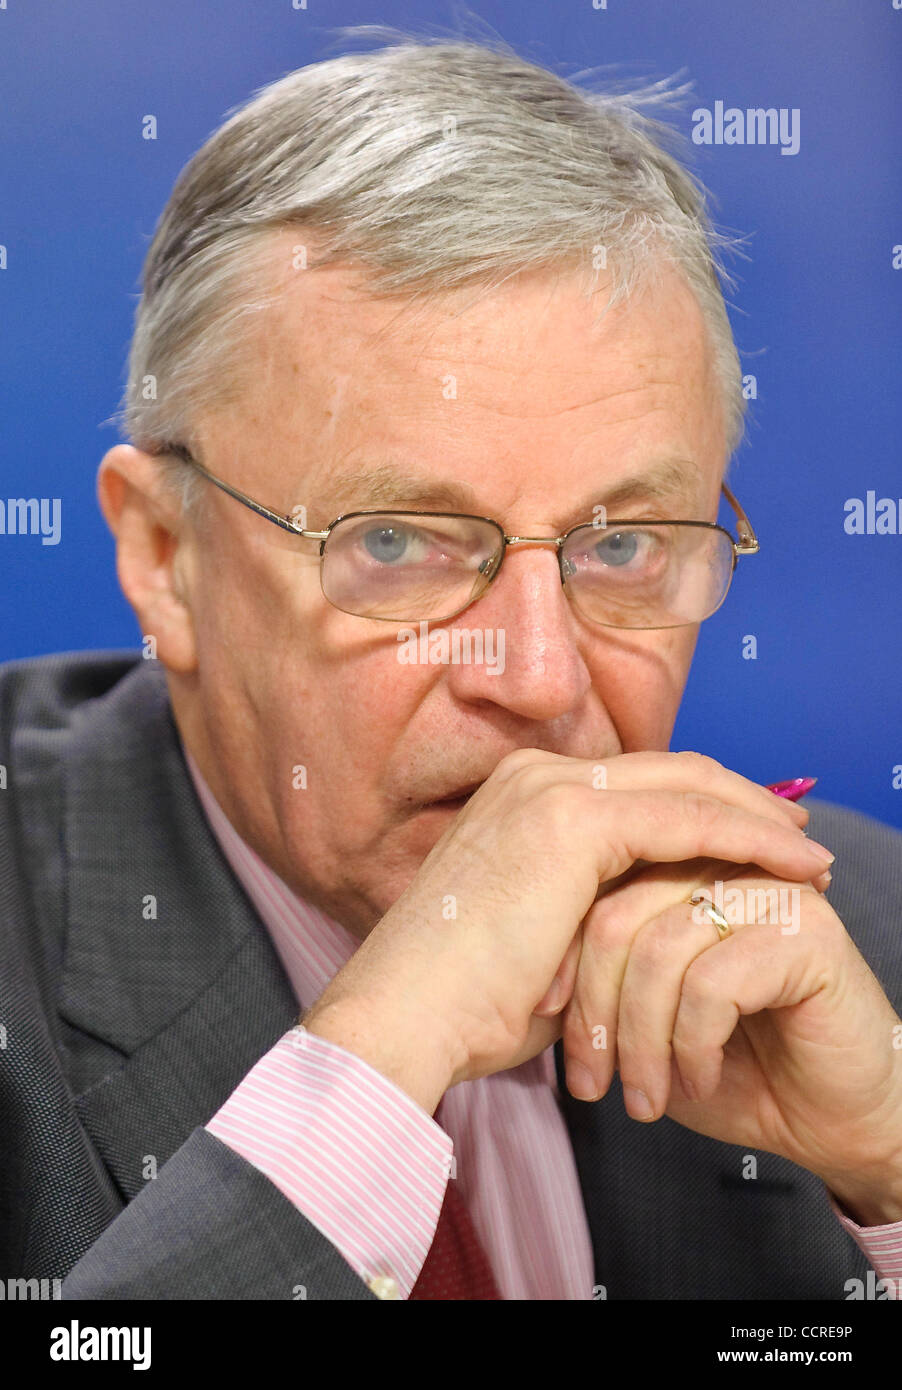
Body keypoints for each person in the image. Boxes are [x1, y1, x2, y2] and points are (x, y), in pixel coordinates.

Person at [3, 37, 901, 1302]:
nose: (537, 678)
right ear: (166, 557)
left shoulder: (859, 936)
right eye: (397, 543)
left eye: (623, 543)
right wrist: (369, 1070)